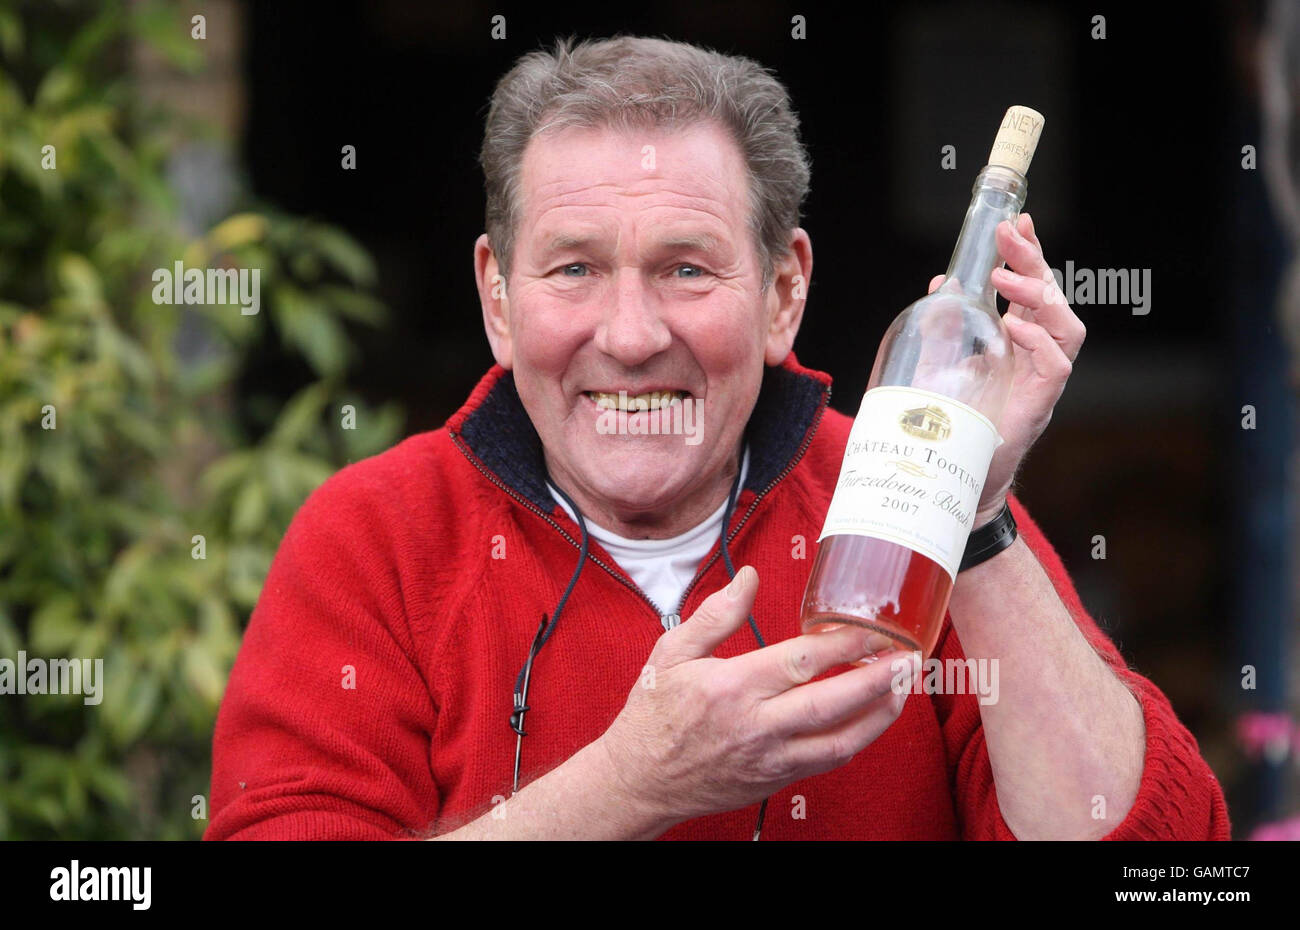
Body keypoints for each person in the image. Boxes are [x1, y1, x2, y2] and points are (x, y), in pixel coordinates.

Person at [205, 35, 1229, 840]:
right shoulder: (374, 538)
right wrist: (628, 786)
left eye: (687, 268)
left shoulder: (904, 501)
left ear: (784, 292)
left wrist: (978, 514)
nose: (632, 335)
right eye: (572, 270)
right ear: (498, 297)